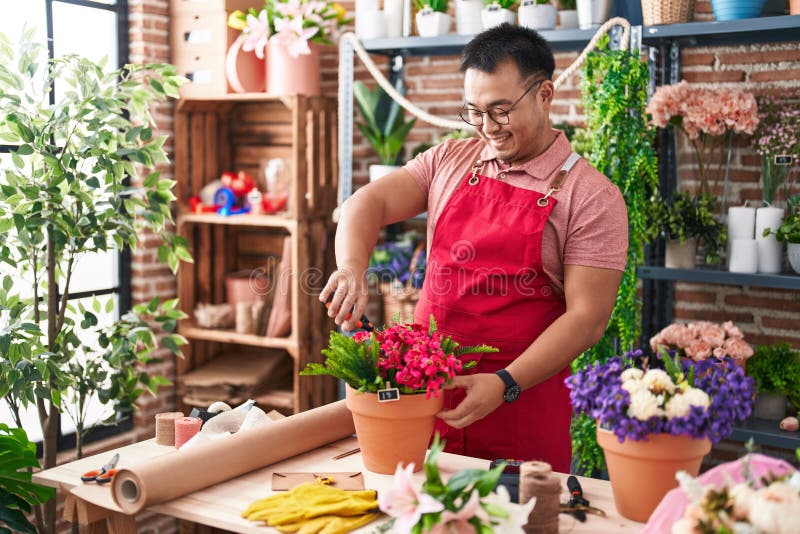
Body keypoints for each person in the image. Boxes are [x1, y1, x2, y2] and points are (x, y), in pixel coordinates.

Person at [321, 23, 627, 472]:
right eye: (474, 111)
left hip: (520, 408)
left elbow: (587, 319)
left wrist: (504, 383)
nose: (487, 128)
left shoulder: (592, 196)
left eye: (500, 111)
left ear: (545, 94)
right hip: (423, 403)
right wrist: (350, 266)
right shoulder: (449, 160)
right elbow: (366, 203)